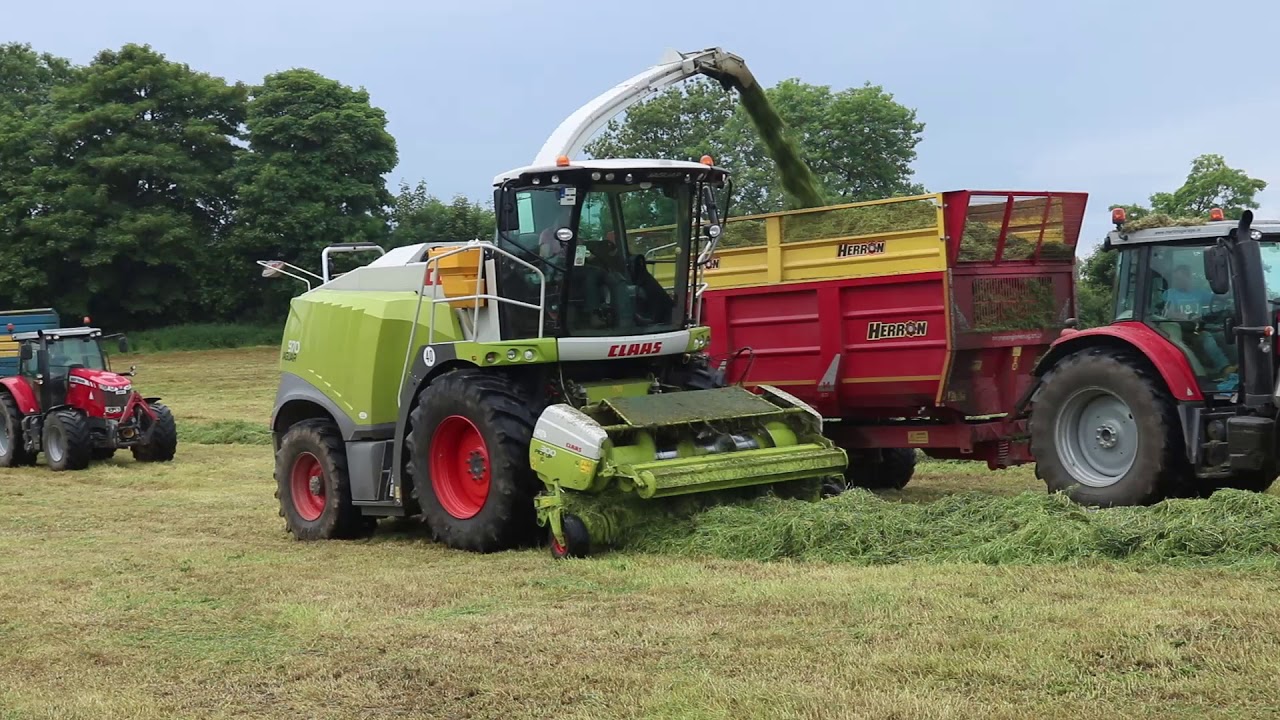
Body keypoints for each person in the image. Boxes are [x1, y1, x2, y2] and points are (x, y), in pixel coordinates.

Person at [1162, 264, 1233, 377]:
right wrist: (1189, 317)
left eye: (1180, 279)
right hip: (1180, 332)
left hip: (1197, 329)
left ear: (1188, 278)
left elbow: (1221, 297)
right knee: (1206, 337)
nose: (1177, 282)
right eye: (1176, 279)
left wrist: (1231, 284)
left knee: (1223, 335)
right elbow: (1169, 313)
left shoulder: (1199, 293)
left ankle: (1238, 366)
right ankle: (1224, 368)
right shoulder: (1170, 293)